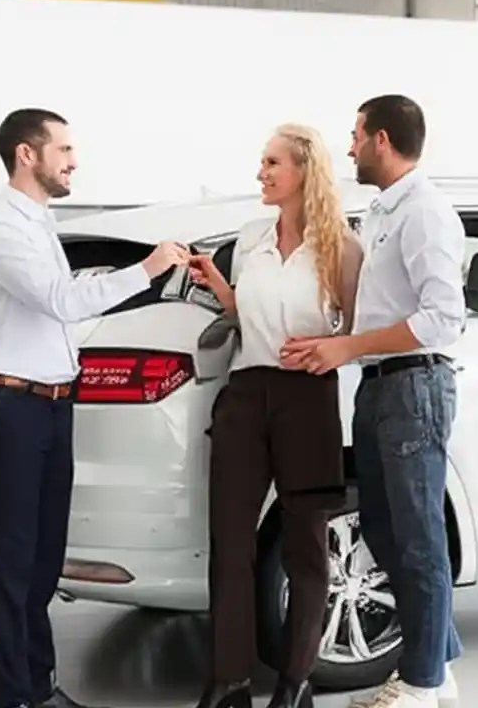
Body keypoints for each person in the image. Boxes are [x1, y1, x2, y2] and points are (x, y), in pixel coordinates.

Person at [0, 108, 189, 708]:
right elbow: (60, 300)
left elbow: (65, 310)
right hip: (10, 406)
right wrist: (145, 269)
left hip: (52, 405)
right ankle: (14, 698)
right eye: (63, 148)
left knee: (42, 562)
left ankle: (40, 687)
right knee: (11, 565)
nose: (74, 159)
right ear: (26, 154)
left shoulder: (39, 224)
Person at [280, 95, 465, 708]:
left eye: (356, 135)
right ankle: (435, 660)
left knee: (418, 540)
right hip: (379, 385)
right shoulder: (382, 213)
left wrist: (349, 345)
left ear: (382, 139)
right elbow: (375, 305)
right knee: (384, 533)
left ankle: (420, 685)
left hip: (414, 386)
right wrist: (336, 345)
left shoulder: (426, 214)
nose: (351, 145)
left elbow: (442, 318)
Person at [189, 123, 364, 708]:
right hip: (245, 392)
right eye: (262, 162)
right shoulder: (250, 239)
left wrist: (326, 347)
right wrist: (220, 288)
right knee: (230, 541)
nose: (261, 172)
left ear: (304, 171)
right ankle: (229, 679)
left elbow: (353, 332)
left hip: (308, 399)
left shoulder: (342, 247)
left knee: (305, 545)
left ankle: (296, 678)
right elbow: (251, 315)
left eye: (272, 162)